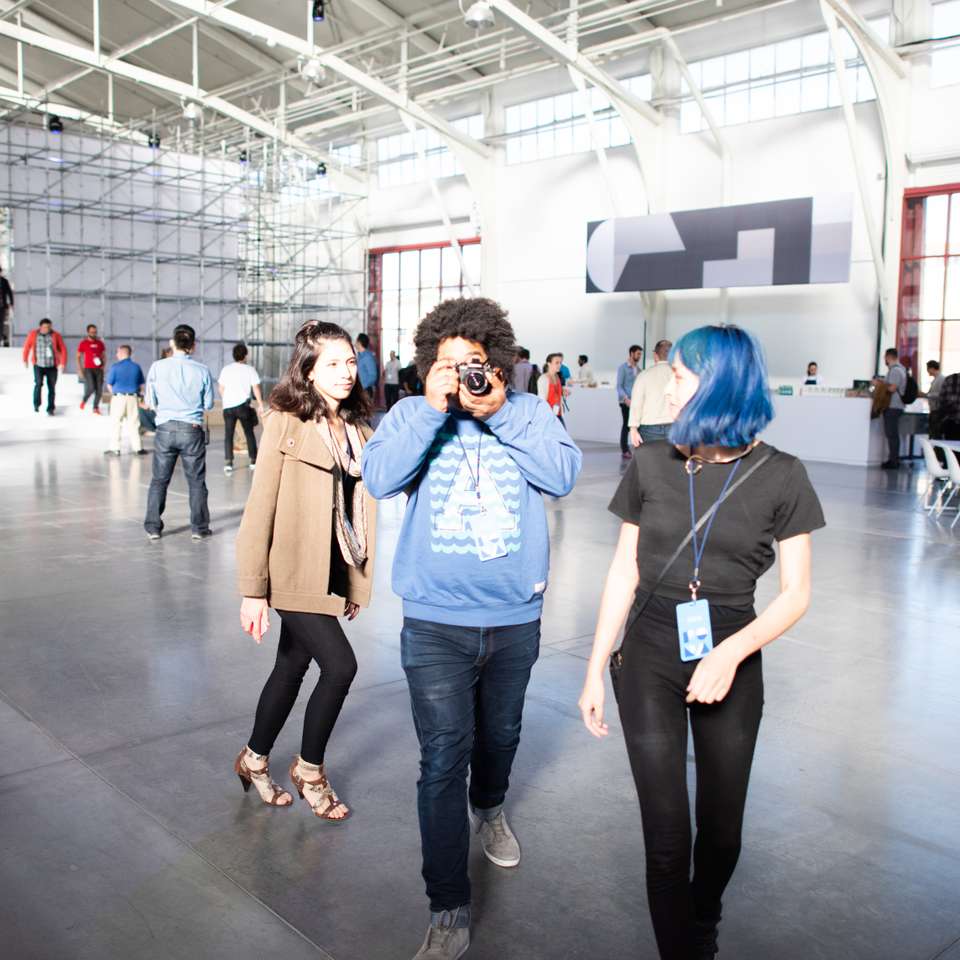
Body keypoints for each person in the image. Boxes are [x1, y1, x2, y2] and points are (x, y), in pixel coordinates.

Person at [579, 324, 824, 960]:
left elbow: (796, 593)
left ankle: (703, 916)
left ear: (717, 386)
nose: (665, 390)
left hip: (731, 654)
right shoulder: (654, 463)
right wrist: (594, 666)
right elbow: (624, 571)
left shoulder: (783, 477)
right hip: (650, 653)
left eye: (680, 378)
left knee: (720, 831)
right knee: (666, 836)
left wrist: (729, 652)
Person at [361, 297, 582, 960]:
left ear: (499, 364)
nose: (465, 377)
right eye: (450, 366)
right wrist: (430, 409)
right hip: (435, 621)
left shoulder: (528, 413)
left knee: (503, 735)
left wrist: (504, 413)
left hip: (514, 617)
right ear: (431, 368)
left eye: (476, 365)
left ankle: (490, 808)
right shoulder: (411, 416)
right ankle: (448, 907)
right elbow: (377, 478)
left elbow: (563, 475)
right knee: (439, 760)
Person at [234, 320, 376, 822]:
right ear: (309, 370)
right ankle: (309, 770)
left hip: (330, 572)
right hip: (291, 570)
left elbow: (355, 510)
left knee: (292, 666)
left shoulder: (358, 429)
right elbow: (260, 507)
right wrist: (254, 591)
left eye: (351, 362)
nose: (345, 372)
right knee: (341, 667)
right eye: (332, 363)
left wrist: (354, 583)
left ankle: (253, 760)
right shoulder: (285, 421)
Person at [143, 324, 215, 541]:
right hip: (191, 429)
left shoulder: (157, 367)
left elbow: (149, 401)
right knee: (196, 481)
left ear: (172, 343)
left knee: (159, 480)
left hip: (164, 428)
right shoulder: (202, 370)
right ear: (193, 346)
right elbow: (209, 404)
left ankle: (154, 527)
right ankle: (199, 528)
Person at [218, 342, 265, 475]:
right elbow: (256, 388)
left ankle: (228, 462)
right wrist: (260, 404)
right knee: (249, 432)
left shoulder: (226, 369)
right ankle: (253, 460)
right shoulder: (250, 370)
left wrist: (227, 399)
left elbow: (221, 388)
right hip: (243, 406)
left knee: (229, 435)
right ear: (245, 355)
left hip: (228, 407)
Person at [629, 339, 673, 446]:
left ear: (655, 355)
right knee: (674, 462)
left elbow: (636, 403)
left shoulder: (643, 375)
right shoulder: (680, 374)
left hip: (649, 428)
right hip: (675, 426)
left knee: (650, 462)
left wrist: (633, 428)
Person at [104, 345, 146, 456]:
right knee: (134, 423)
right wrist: (139, 397)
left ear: (122, 353)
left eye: (118, 353)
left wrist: (114, 394)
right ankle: (138, 448)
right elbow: (141, 385)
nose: (116, 355)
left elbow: (109, 384)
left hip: (119, 397)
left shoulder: (115, 367)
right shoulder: (136, 367)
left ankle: (115, 448)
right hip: (133, 397)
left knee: (116, 423)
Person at [22, 318, 67, 416]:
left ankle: (50, 408)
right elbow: (27, 347)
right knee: (38, 384)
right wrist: (25, 359)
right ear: (41, 327)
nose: (48, 329)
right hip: (39, 365)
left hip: (51, 366)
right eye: (45, 327)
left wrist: (63, 363)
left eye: (49, 327)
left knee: (52, 387)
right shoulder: (33, 335)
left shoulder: (55, 335)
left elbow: (63, 349)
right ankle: (36, 404)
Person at [876, 347, 907, 469]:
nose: (885, 360)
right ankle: (893, 459)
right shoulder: (901, 369)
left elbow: (892, 388)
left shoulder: (895, 371)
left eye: (885, 357)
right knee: (892, 434)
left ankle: (893, 460)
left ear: (889, 357)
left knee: (892, 434)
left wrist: (880, 385)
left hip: (893, 406)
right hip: (896, 406)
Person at [617, 344, 643, 460]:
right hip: (625, 402)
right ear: (631, 354)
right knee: (627, 425)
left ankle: (640, 448)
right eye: (638, 353)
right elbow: (619, 386)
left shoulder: (638, 369)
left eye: (640, 354)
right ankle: (625, 449)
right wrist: (625, 398)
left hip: (636, 402)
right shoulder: (622, 368)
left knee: (638, 425)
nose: (639, 356)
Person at [138, 347, 172, 435]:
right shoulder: (158, 366)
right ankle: (153, 429)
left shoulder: (157, 366)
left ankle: (154, 429)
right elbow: (150, 384)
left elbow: (150, 384)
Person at [77, 323, 107, 414]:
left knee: (99, 389)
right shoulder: (84, 343)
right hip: (88, 368)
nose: (94, 334)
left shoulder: (100, 343)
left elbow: (103, 355)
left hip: (98, 369)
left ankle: (95, 407)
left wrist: (103, 366)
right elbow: (78, 356)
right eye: (92, 332)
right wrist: (80, 369)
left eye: (95, 332)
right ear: (88, 332)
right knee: (91, 387)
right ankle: (84, 400)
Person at [538, 352, 566, 424]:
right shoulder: (543, 379)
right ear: (549, 363)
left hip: (557, 414)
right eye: (556, 363)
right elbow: (542, 400)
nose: (559, 365)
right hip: (548, 416)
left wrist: (563, 392)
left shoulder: (557, 377)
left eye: (560, 363)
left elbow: (556, 393)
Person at [923, 360, 944, 439]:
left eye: (928, 369)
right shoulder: (936, 379)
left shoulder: (941, 379)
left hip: (937, 410)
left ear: (932, 368)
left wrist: (927, 395)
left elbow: (941, 394)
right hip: (933, 410)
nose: (927, 371)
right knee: (932, 433)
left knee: (936, 433)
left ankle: (937, 451)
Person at [355, 332, 379, 401]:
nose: (355, 342)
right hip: (359, 390)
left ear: (359, 342)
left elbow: (373, 376)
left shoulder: (368, 357)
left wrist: (362, 387)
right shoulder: (359, 356)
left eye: (356, 340)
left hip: (365, 391)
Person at [0, 265, 14, 347]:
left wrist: (11, 303)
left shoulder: (4, 281)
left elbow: (9, 292)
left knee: (2, 322)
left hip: (2, 306)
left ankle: (2, 338)